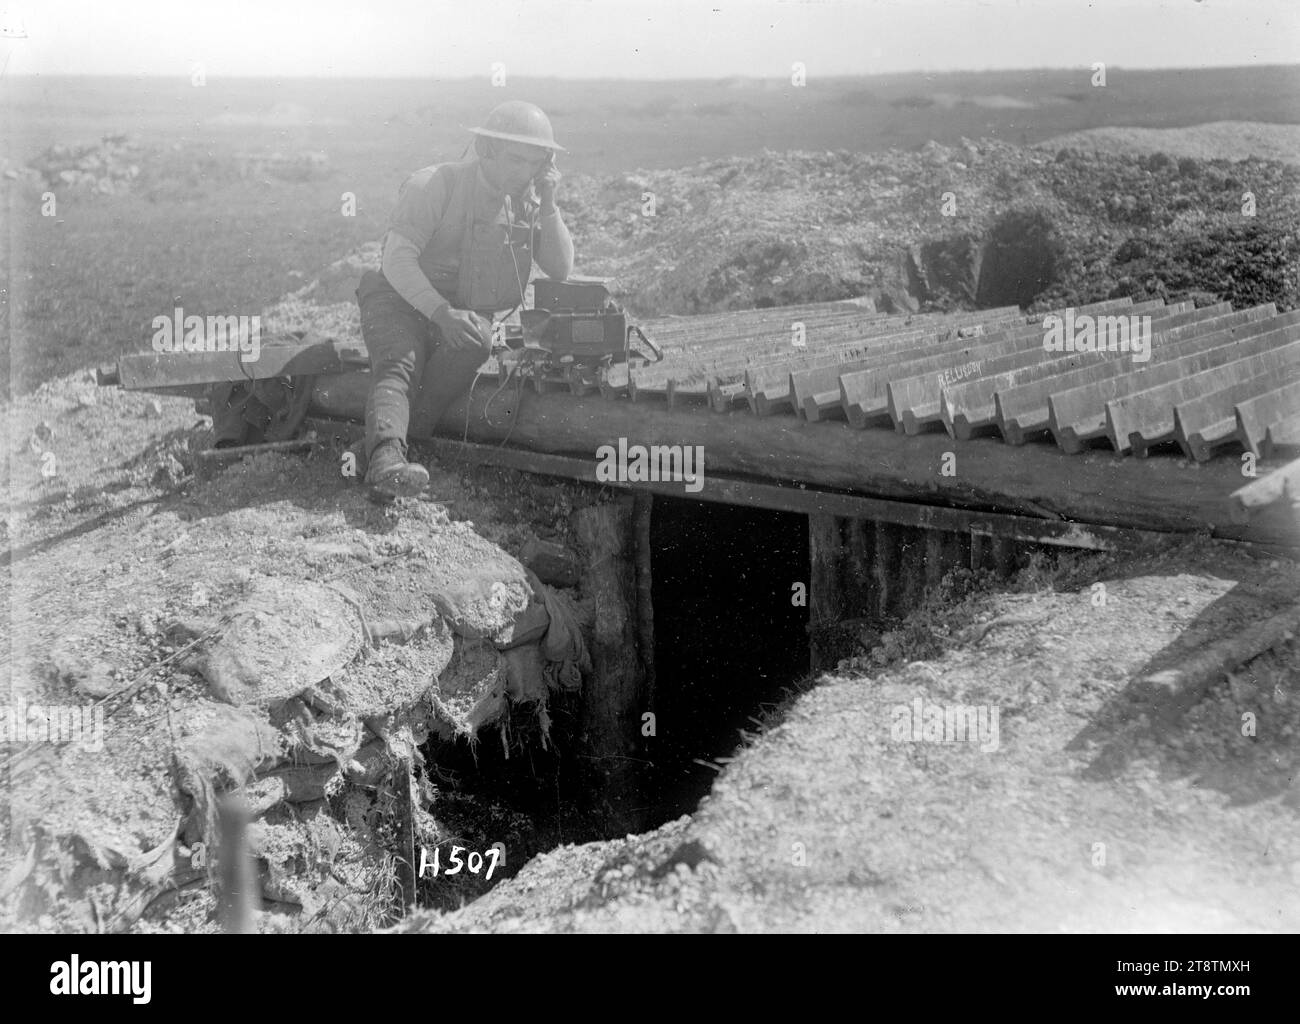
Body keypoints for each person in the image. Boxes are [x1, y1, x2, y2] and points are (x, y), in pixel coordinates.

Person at [355, 100, 574, 499]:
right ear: (487, 149)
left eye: (533, 163)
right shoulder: (435, 184)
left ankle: (385, 453)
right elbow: (397, 260)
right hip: (399, 298)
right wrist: (441, 313)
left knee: (478, 341)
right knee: (400, 362)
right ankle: (386, 457)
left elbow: (560, 268)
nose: (522, 172)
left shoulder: (525, 203)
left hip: (459, 311)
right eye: (514, 160)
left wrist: (549, 203)